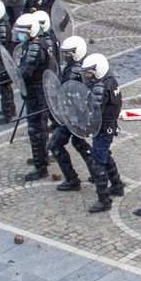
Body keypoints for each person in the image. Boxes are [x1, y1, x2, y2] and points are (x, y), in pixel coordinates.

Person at [47, 36, 96, 189]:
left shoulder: (75, 71)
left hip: (72, 115)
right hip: (76, 115)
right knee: (79, 143)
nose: (65, 56)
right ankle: (96, 173)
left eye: (68, 54)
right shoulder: (78, 68)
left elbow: (66, 91)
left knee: (55, 145)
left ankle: (72, 180)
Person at [83, 53, 125, 213]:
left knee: (98, 161)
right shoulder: (110, 81)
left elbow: (95, 112)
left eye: (89, 73)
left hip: (102, 129)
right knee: (105, 155)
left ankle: (103, 200)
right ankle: (117, 185)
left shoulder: (100, 87)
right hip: (109, 126)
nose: (86, 76)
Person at [14, 14, 51, 182]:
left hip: (38, 92)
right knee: (38, 128)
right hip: (34, 92)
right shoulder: (32, 44)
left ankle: (41, 167)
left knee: (36, 129)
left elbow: (26, 72)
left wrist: (14, 74)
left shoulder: (35, 47)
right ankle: (41, 158)